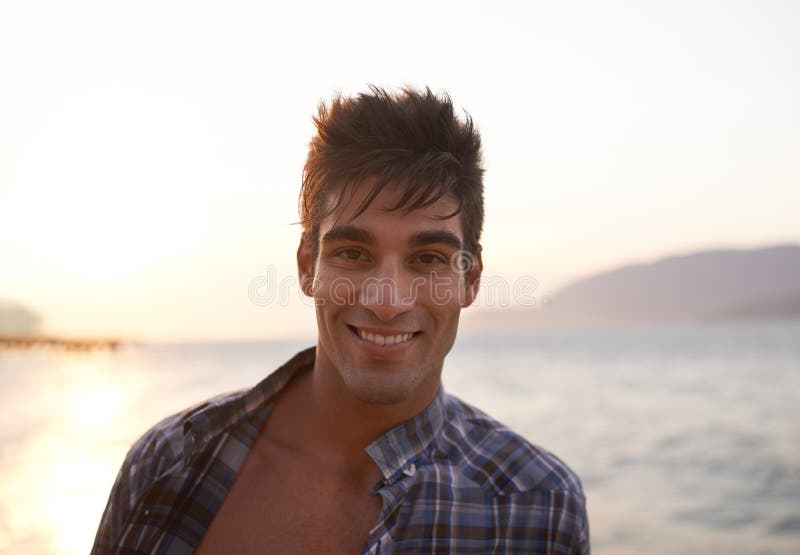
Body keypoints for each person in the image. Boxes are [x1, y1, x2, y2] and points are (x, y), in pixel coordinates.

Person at [91, 86, 590, 554]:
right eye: (353, 252)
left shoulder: (536, 504)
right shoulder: (169, 460)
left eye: (429, 259)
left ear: (471, 278)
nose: (388, 300)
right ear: (308, 267)